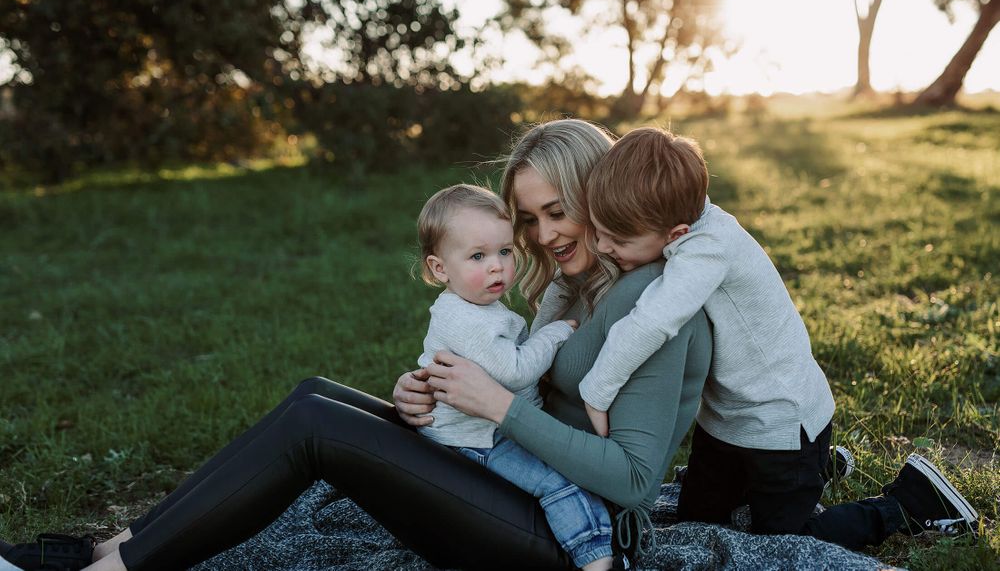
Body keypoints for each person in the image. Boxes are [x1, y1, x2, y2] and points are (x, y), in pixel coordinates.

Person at [15, 118, 711, 571]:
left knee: (316, 429)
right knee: (313, 396)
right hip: (512, 480)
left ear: (601, 196)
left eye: (557, 212)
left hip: (574, 538)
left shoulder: (652, 304)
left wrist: (500, 405)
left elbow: (634, 481)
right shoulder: (568, 288)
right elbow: (526, 396)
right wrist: (428, 399)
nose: (541, 235)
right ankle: (117, 545)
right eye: (528, 218)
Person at [578, 126, 980, 549]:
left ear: (676, 233)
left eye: (618, 239)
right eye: (599, 230)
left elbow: (651, 322)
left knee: (784, 543)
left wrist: (597, 389)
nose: (602, 246)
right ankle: (815, 472)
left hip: (781, 427)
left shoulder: (707, 249)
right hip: (725, 424)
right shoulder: (682, 225)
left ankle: (911, 502)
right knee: (697, 519)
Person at [413, 183, 614, 571]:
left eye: (505, 251)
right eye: (477, 256)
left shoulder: (476, 308)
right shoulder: (461, 316)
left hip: (487, 427)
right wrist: (555, 334)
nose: (497, 266)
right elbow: (515, 369)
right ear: (440, 268)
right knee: (557, 482)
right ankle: (595, 558)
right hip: (477, 438)